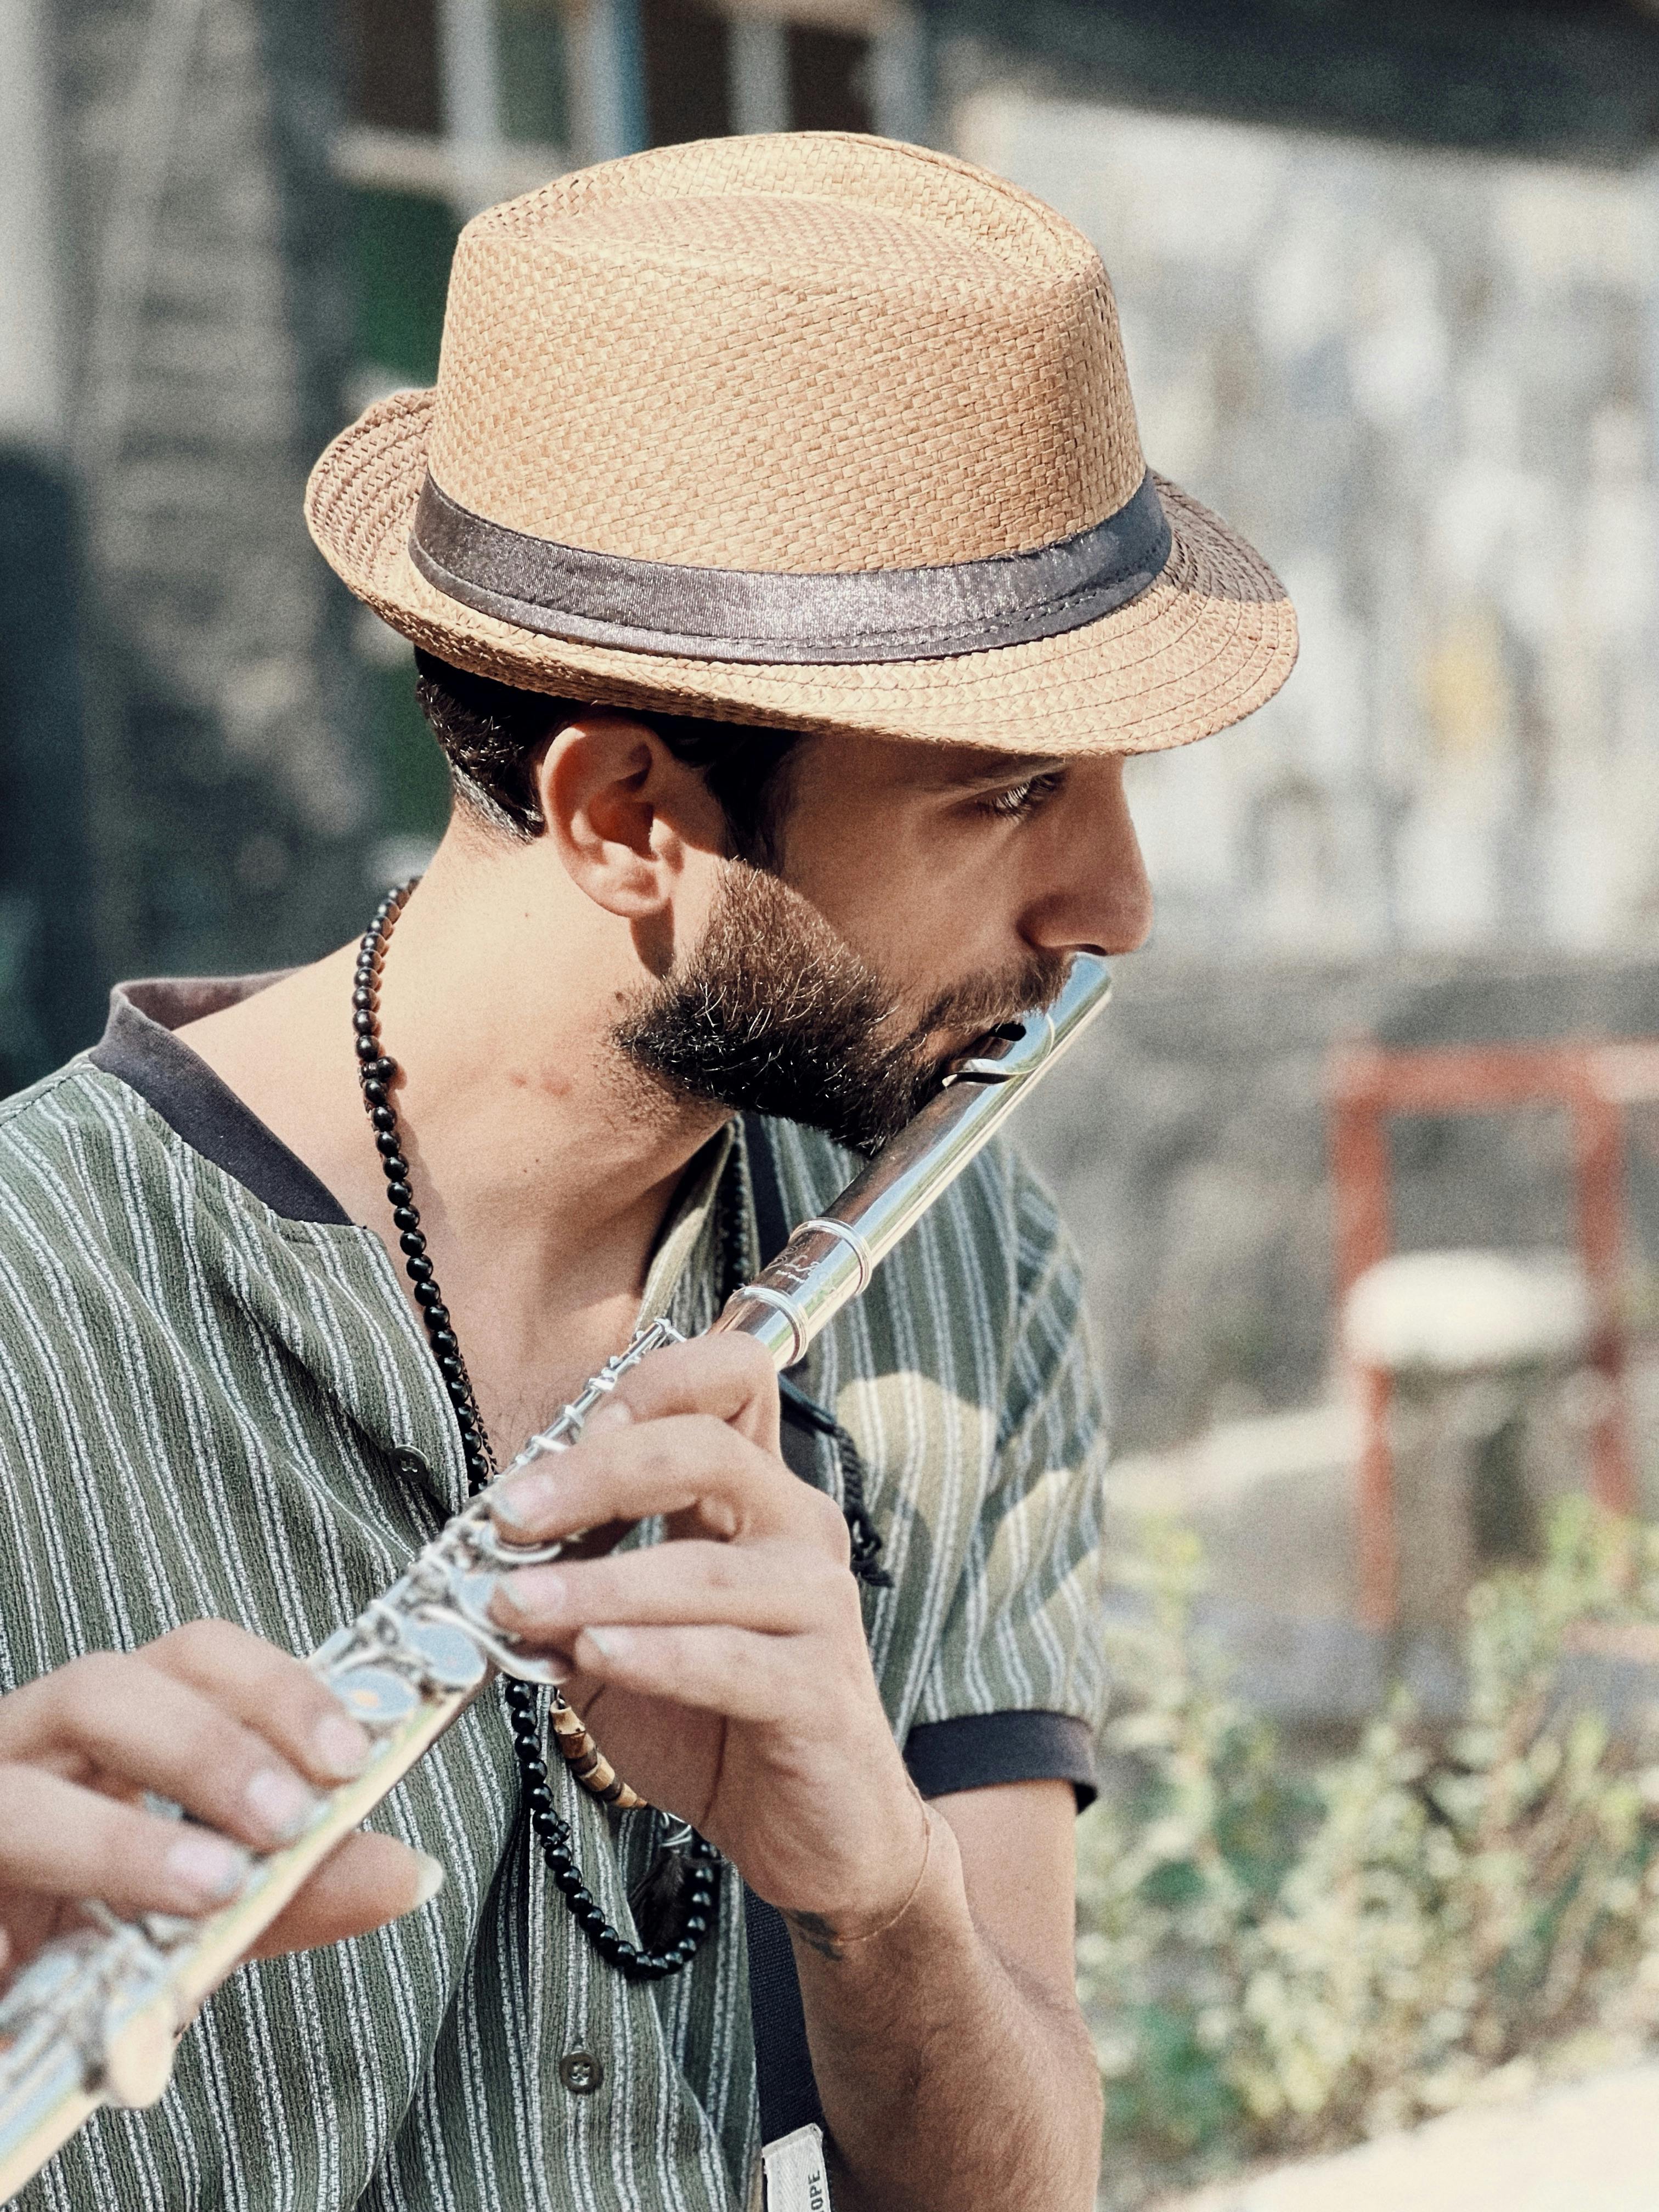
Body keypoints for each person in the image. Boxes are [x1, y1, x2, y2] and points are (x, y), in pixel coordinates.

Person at [0, 133, 1295, 2211]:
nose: (1115, 905)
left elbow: (1014, 2185)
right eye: (1011, 796)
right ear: (622, 818)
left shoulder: (962, 1276)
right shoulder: (31, 1311)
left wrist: (877, 1889)